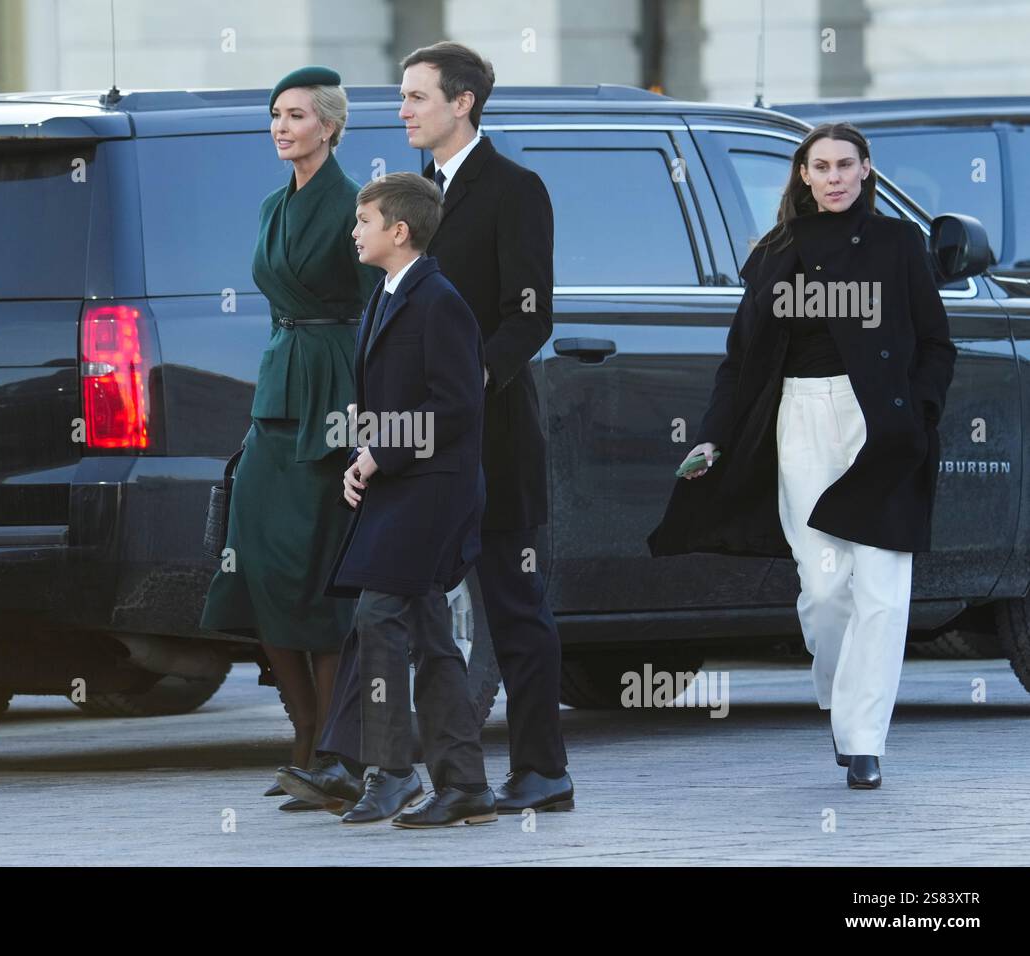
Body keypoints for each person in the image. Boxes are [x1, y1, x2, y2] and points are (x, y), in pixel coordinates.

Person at [278, 40, 573, 817]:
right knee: (397, 603)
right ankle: (379, 765)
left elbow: (531, 314)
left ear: (462, 101)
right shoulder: (407, 196)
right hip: (410, 447)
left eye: (415, 96)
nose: (402, 109)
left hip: (491, 433)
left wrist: (472, 378)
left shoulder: (515, 188)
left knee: (511, 600)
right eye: (403, 97)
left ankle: (543, 769)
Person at [647, 122, 956, 789]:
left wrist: (919, 413)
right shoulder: (775, 252)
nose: (836, 176)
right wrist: (712, 435)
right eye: (822, 166)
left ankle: (863, 738)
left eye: (847, 164)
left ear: (867, 170)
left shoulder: (901, 244)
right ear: (805, 176)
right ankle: (841, 695)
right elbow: (740, 361)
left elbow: (936, 343)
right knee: (823, 588)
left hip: (882, 425)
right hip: (800, 419)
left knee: (880, 588)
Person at [199, 66, 382, 811]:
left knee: (321, 573)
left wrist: (373, 418)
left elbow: (381, 310)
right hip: (278, 390)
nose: (281, 126)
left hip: (335, 389)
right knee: (259, 562)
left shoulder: (354, 206)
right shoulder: (275, 204)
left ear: (330, 127)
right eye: (275, 114)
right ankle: (303, 728)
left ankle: (335, 752)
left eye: (297, 115)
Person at [319, 171, 494, 828]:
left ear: (399, 230)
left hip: (433, 493)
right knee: (429, 632)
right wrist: (359, 459)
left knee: (377, 615)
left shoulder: (438, 300)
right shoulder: (387, 296)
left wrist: (380, 453)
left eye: (363, 222)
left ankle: (392, 771)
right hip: (398, 487)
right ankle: (465, 786)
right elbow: (387, 397)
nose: (354, 232)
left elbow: (455, 403)